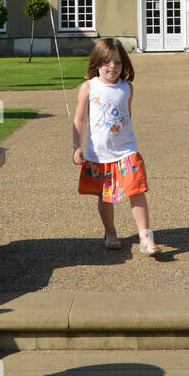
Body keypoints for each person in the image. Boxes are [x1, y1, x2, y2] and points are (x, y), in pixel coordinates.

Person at [73, 37, 158, 254]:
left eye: (118, 62)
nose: (112, 67)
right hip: (99, 154)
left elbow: (127, 116)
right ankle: (110, 232)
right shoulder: (88, 88)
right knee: (105, 195)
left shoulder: (127, 88)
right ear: (97, 63)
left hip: (127, 150)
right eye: (107, 62)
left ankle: (145, 237)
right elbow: (80, 120)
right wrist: (77, 145)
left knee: (137, 190)